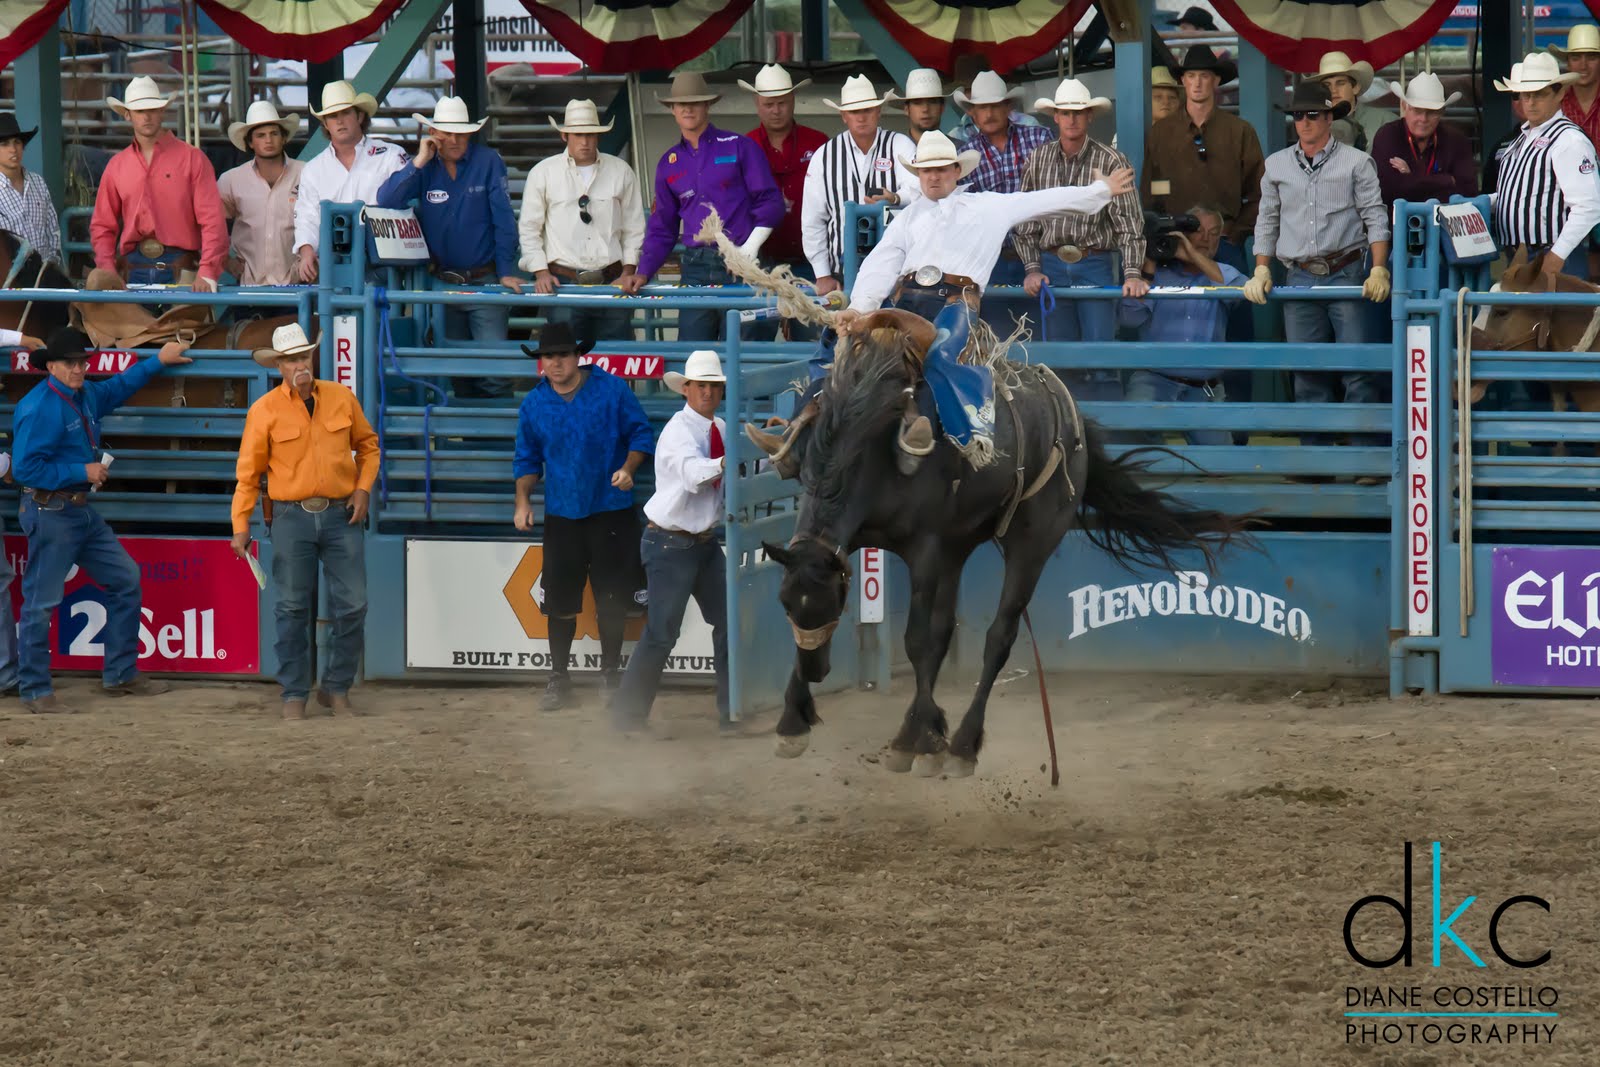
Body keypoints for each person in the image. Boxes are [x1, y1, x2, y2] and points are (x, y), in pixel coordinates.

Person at [831, 131, 1130, 453]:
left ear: (956, 172)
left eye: (941, 168)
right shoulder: (906, 220)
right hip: (906, 300)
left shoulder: (989, 206)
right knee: (844, 347)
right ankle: (814, 423)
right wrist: (860, 308)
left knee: (943, 352)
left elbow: (1046, 200)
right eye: (926, 170)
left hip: (955, 302)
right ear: (918, 175)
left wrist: (1100, 190)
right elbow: (880, 265)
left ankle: (963, 437)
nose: (933, 176)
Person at [13, 327, 194, 713]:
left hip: (70, 510)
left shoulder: (83, 395)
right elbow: (26, 470)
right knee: (41, 603)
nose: (79, 369)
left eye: (81, 362)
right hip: (53, 510)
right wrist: (83, 470)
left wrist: (157, 361)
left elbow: (118, 387)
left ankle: (120, 672)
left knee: (124, 578)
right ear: (52, 367)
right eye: (70, 363)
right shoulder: (39, 407)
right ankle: (35, 689)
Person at [232, 323, 380, 720]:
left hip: (340, 512)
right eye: (291, 359)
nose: (299, 365)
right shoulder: (264, 411)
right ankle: (294, 692)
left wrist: (363, 488)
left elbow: (368, 446)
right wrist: (240, 525)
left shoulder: (341, 397)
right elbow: (248, 474)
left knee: (353, 605)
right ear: (279, 365)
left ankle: (334, 688)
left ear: (311, 357)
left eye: (303, 356)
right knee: (292, 608)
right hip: (290, 515)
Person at [512, 322, 654, 709]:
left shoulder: (612, 390)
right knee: (560, 600)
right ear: (541, 362)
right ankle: (560, 677)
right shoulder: (534, 404)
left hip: (611, 510)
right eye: (548, 357)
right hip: (562, 513)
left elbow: (641, 435)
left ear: (578, 356)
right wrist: (522, 501)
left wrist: (628, 467)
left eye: (561, 355)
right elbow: (527, 459)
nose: (555, 363)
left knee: (611, 597)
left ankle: (610, 672)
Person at [1246, 82, 1390, 461]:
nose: (1305, 122)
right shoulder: (1276, 165)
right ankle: (1316, 461)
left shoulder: (1357, 162)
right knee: (1307, 370)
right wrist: (1262, 269)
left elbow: (1376, 217)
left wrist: (1378, 269)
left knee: (1357, 369)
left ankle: (1363, 459)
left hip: (1345, 270)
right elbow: (1267, 220)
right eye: (1298, 115)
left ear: (1329, 118)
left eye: (1313, 115)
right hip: (1299, 275)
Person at [609, 349, 730, 733]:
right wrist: (737, 459)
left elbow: (720, 473)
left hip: (698, 542)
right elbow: (696, 476)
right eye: (701, 386)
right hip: (671, 543)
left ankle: (733, 708)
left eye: (712, 386)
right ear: (687, 389)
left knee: (726, 623)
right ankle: (627, 717)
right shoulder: (679, 431)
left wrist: (756, 452)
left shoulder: (721, 430)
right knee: (663, 632)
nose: (706, 393)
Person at [621, 73, 784, 343]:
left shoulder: (740, 146)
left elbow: (771, 202)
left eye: (695, 102)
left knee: (747, 351)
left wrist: (748, 249)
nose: (687, 108)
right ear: (671, 110)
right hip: (696, 266)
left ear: (707, 106)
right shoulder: (668, 164)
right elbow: (663, 226)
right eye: (680, 104)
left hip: (743, 261)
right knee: (695, 353)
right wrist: (643, 271)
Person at [378, 97, 522, 399]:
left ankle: (497, 445)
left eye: (461, 132)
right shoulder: (423, 167)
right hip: (441, 284)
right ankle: (472, 444)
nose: (455, 139)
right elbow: (387, 200)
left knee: (494, 372)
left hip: (485, 282)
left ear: (470, 133)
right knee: (458, 374)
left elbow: (504, 220)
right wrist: (418, 160)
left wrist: (507, 270)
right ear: (433, 133)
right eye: (447, 132)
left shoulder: (488, 161)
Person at [1015, 78, 1147, 401]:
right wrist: (1032, 268)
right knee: (1059, 360)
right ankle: (1068, 433)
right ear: (1055, 117)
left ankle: (1107, 431)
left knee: (1101, 355)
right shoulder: (1037, 160)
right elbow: (1025, 220)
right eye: (1065, 112)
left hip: (1095, 262)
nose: (1072, 119)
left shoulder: (1112, 160)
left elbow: (1129, 223)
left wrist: (1132, 272)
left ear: (1090, 117)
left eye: (1079, 112)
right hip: (1051, 263)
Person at [519, 99, 646, 344]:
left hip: (613, 280)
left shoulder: (621, 171)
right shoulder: (543, 173)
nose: (585, 141)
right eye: (579, 134)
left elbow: (634, 228)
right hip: (564, 281)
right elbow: (529, 228)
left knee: (614, 361)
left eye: (591, 134)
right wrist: (541, 271)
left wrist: (628, 271)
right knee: (567, 364)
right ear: (565, 135)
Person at [90, 76, 227, 290]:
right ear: (128, 115)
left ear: (162, 111)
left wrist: (208, 270)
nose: (147, 116)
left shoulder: (193, 159)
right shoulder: (116, 166)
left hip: (183, 267)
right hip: (132, 267)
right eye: (139, 111)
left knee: (187, 325)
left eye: (152, 109)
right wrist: (107, 268)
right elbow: (102, 224)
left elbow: (212, 220)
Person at [1118, 219, 1247, 444]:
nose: (1205, 238)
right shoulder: (1158, 274)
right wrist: (1147, 270)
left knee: (1219, 464)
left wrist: (1191, 254)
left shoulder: (1224, 272)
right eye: (1197, 232)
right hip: (1155, 380)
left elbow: (1239, 291)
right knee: (1133, 436)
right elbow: (1129, 319)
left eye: (1214, 232)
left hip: (1203, 387)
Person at [802, 75, 919, 300]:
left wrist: (895, 198)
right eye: (855, 111)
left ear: (878, 111)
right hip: (842, 272)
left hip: (896, 271)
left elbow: (918, 191)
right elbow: (812, 219)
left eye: (867, 109)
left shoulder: (899, 144)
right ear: (844, 115)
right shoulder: (824, 155)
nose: (862, 117)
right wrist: (822, 274)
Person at [956, 69, 1055, 334]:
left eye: (995, 106)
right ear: (972, 114)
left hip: (1040, 253)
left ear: (1008, 107)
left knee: (1043, 333)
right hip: (993, 259)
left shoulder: (1039, 138)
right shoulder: (964, 156)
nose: (988, 114)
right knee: (997, 338)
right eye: (981, 108)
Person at [1489, 53, 1600, 280]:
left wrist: (1556, 256)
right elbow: (1521, 193)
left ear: (1559, 94)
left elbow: (1589, 206)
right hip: (1523, 256)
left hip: (1552, 256)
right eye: (1526, 94)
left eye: (1539, 94)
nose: (1530, 102)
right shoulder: (1522, 137)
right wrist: (1483, 203)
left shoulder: (1569, 140)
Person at [1143, 47, 1265, 255]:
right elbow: (1150, 191)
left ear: (1216, 81)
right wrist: (1162, 233)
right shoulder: (1161, 132)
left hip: (1224, 242)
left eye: (1204, 76)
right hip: (1177, 242)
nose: (1197, 83)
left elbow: (1260, 192)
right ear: (1183, 81)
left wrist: (1235, 233)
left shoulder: (1240, 131)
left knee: (1230, 285)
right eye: (1191, 76)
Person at [294, 80, 409, 284]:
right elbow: (306, 216)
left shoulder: (391, 155)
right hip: (334, 266)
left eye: (345, 112)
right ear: (325, 124)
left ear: (360, 115)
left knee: (383, 315)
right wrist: (306, 251)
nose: (339, 121)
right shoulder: (313, 169)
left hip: (385, 266)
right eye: (332, 116)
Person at [740, 64, 827, 279]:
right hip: (760, 258)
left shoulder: (819, 143)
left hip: (814, 261)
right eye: (768, 104)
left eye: (782, 103)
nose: (776, 111)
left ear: (793, 101)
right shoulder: (743, 146)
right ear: (757, 104)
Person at [217, 100, 303, 286]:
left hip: (298, 284)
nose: (268, 140)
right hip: (249, 284)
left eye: (274, 133)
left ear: (284, 137)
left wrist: (313, 262)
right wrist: (227, 262)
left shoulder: (306, 173)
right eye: (260, 135)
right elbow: (211, 225)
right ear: (250, 142)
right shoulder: (231, 180)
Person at [1370, 74, 1478, 208]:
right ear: (1404, 106)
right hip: (1395, 226)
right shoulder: (1387, 136)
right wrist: (1446, 180)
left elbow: (1468, 193)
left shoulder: (1457, 141)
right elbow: (1389, 191)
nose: (1423, 118)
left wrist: (1411, 176)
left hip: (1444, 226)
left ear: (1442, 112)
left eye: (1431, 112)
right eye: (1417, 110)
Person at [0, 112, 62, 267]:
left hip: (44, 274)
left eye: (17, 142)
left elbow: (52, 230)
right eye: (4, 144)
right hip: (9, 280)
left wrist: (53, 266)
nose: (13, 149)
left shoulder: (38, 182)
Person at [1312, 51, 1396, 153]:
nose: (1333, 90)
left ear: (1356, 87)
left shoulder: (1386, 122)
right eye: (1327, 85)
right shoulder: (1313, 125)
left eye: (1340, 83)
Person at [950, 56, 1043, 144]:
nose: (976, 95)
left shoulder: (1029, 125)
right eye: (969, 90)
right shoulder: (956, 136)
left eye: (981, 88)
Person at [1552, 25, 1600, 147]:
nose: (1583, 65)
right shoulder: (1555, 104)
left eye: (1591, 57)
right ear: (1568, 63)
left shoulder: (1556, 102)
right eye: (1576, 58)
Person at [885, 68, 947, 145]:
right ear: (907, 109)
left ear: (942, 108)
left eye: (932, 102)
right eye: (918, 103)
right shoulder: (892, 152)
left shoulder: (959, 151)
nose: (925, 109)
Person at [1483, 96, 1527, 195]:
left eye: (1533, 95)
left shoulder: (1563, 138)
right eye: (1516, 96)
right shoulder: (1502, 145)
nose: (1522, 102)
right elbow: (1488, 191)